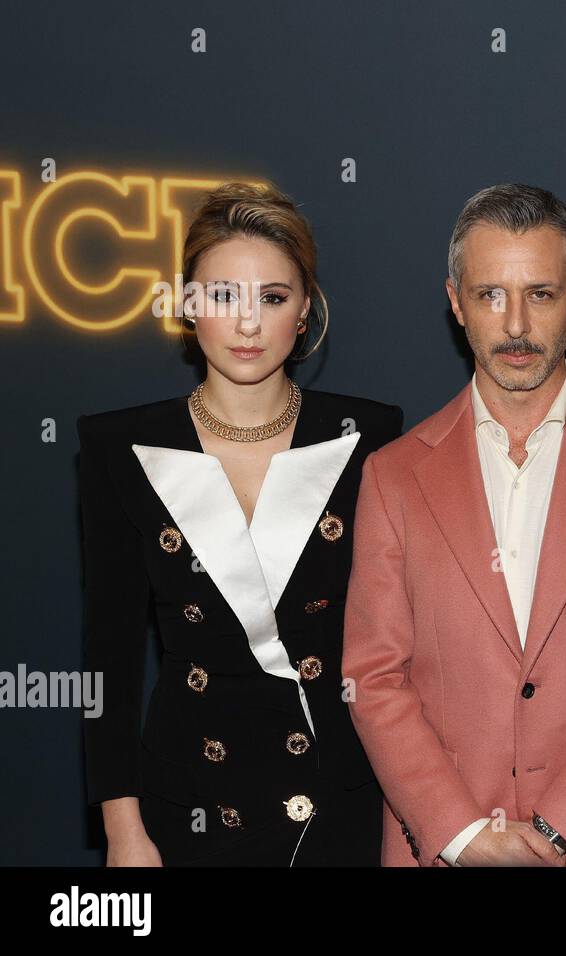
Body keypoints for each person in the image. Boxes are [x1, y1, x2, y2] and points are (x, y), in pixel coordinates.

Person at [343, 184, 566, 867]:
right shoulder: (393, 476)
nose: (514, 324)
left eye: (540, 293)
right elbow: (374, 677)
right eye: (489, 295)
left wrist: (557, 833)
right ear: (455, 301)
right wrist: (461, 835)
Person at [78, 182, 403, 866]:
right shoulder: (122, 450)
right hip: (186, 806)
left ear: (305, 310)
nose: (248, 324)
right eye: (224, 296)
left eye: (273, 298)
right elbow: (107, 660)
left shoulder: (367, 437)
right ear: (187, 306)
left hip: (337, 802)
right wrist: (122, 830)